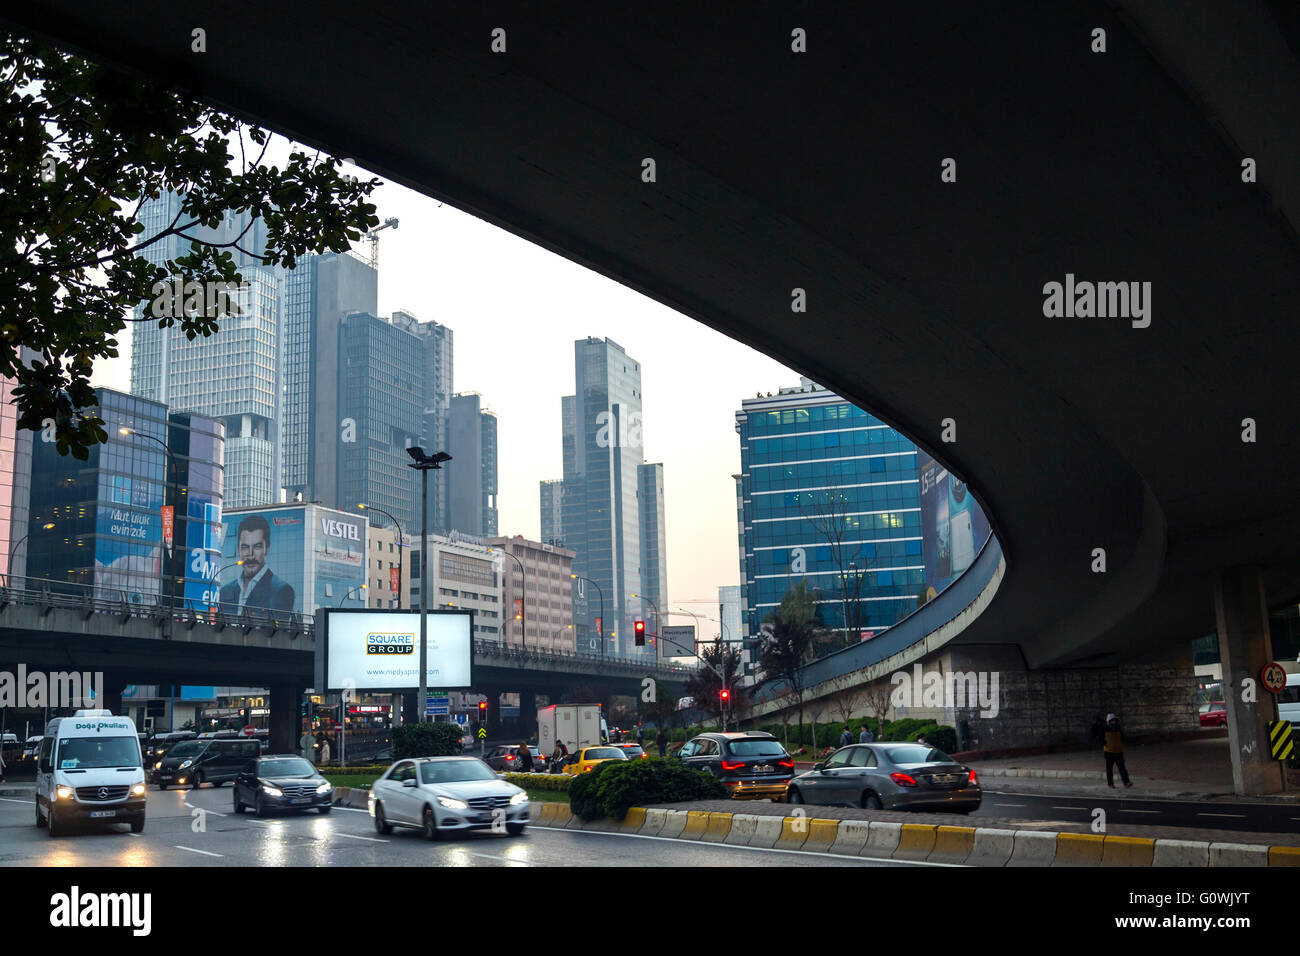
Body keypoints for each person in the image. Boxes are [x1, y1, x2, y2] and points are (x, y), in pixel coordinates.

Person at [218, 514, 297, 616]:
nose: (250, 555)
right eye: (245, 547)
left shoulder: (281, 590)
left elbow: (278, 629)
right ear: (238, 550)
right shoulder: (225, 591)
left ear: (267, 548)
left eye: (257, 546)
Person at [1103, 713, 1133, 788]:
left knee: (1122, 768)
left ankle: (1126, 782)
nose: (1114, 722)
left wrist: (1121, 745)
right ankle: (1110, 784)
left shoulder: (1118, 728)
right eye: (1112, 720)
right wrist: (1106, 744)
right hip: (1108, 752)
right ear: (1109, 721)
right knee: (1109, 769)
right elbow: (1101, 739)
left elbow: (1122, 738)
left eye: (1114, 720)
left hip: (1118, 751)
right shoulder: (1104, 729)